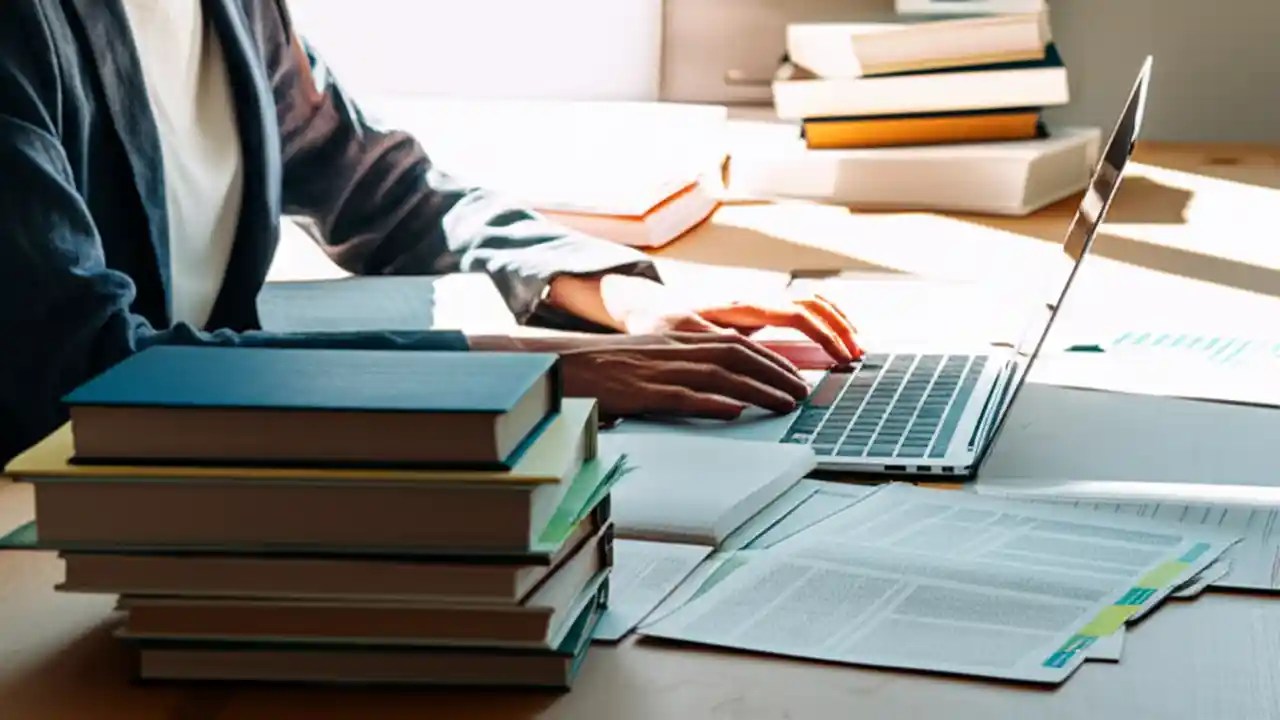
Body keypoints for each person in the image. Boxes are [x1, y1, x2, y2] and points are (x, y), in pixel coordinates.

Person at [0, 0, 860, 465]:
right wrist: (530, 368)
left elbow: (377, 185)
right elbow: (85, 366)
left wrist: (613, 298)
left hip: (179, 479)